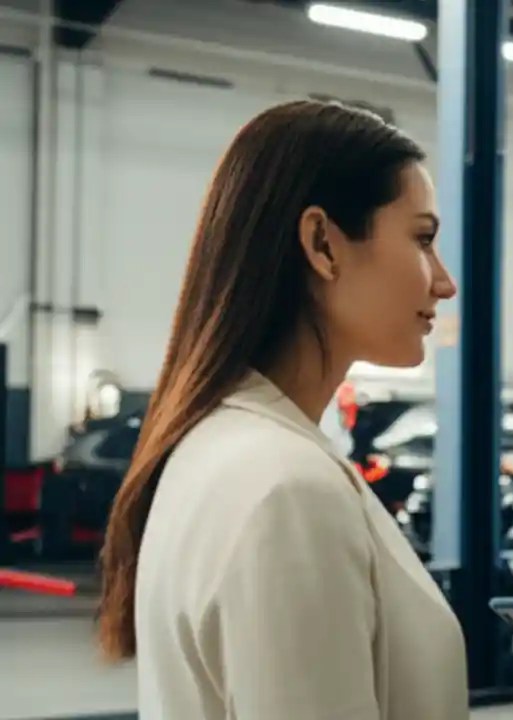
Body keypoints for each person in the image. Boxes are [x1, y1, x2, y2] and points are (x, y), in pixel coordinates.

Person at [96, 100, 467, 719]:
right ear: (323, 244)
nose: (443, 281)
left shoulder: (221, 446)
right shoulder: (286, 488)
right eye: (423, 240)